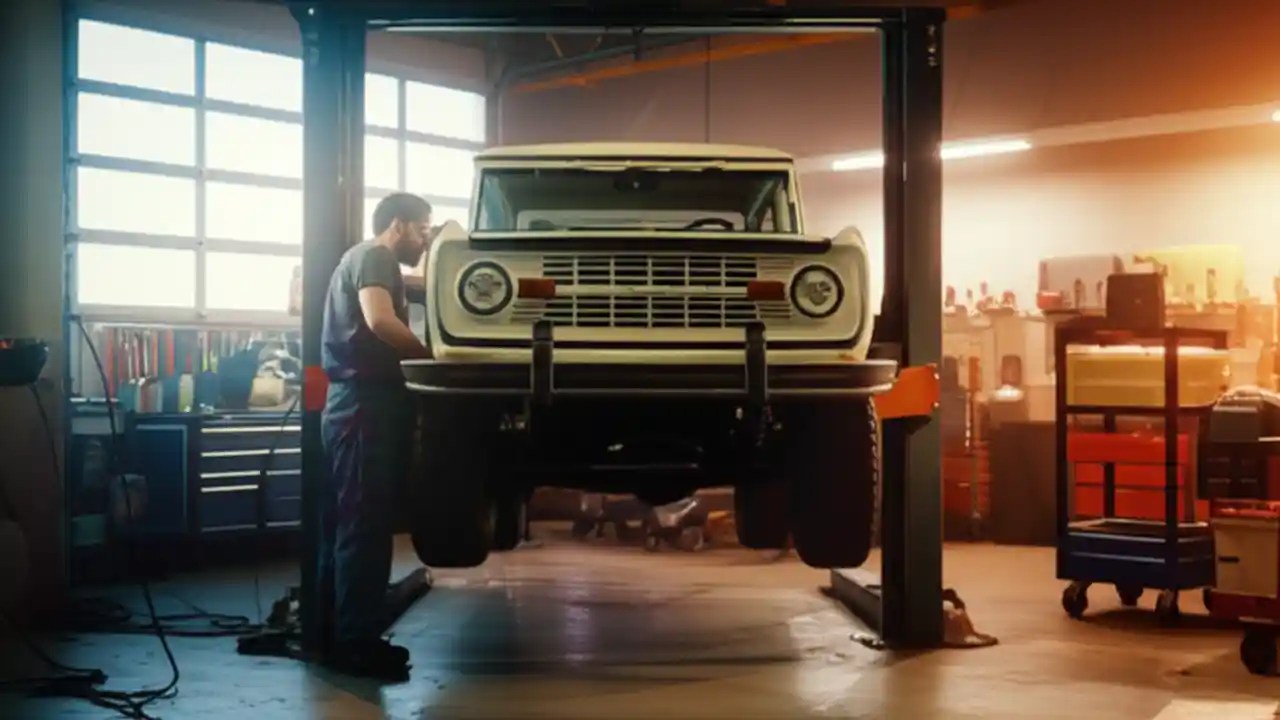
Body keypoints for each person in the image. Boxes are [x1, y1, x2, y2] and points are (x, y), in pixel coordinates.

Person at [319, 192, 434, 679]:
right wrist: (433, 359)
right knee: (364, 528)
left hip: (363, 404)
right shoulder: (375, 256)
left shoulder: (371, 260)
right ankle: (356, 645)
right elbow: (379, 319)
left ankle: (343, 633)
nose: (426, 238)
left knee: (356, 525)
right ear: (400, 224)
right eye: (423, 228)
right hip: (365, 406)